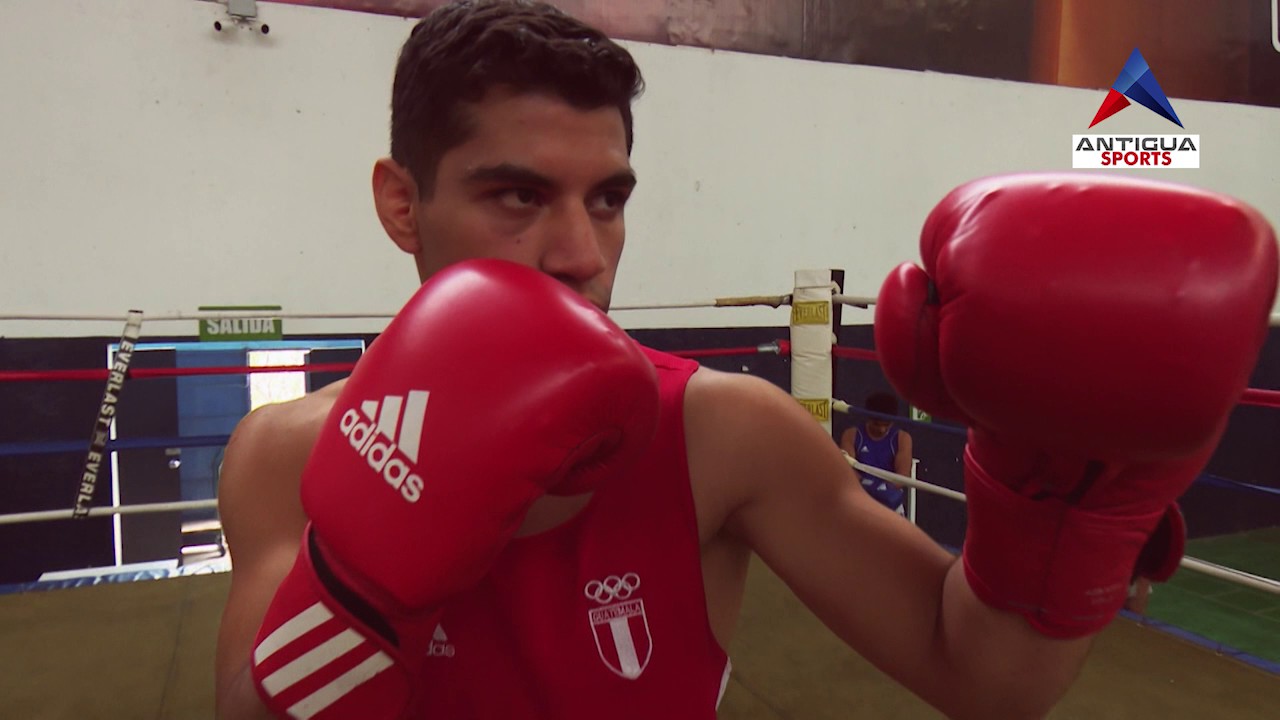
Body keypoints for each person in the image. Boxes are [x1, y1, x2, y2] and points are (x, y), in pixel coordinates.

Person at [213, 1, 1278, 718]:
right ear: (402, 204)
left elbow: (985, 675)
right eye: (517, 196)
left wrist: (1061, 503)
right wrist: (357, 578)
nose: (580, 254)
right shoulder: (281, 458)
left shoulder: (720, 435)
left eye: (608, 198)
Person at [839, 391, 913, 514]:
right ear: (868, 417)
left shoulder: (902, 438)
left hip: (889, 502)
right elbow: (848, 471)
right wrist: (870, 488)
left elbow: (902, 476)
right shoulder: (852, 435)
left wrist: (882, 490)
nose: (881, 429)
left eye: (886, 424)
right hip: (860, 499)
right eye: (876, 424)